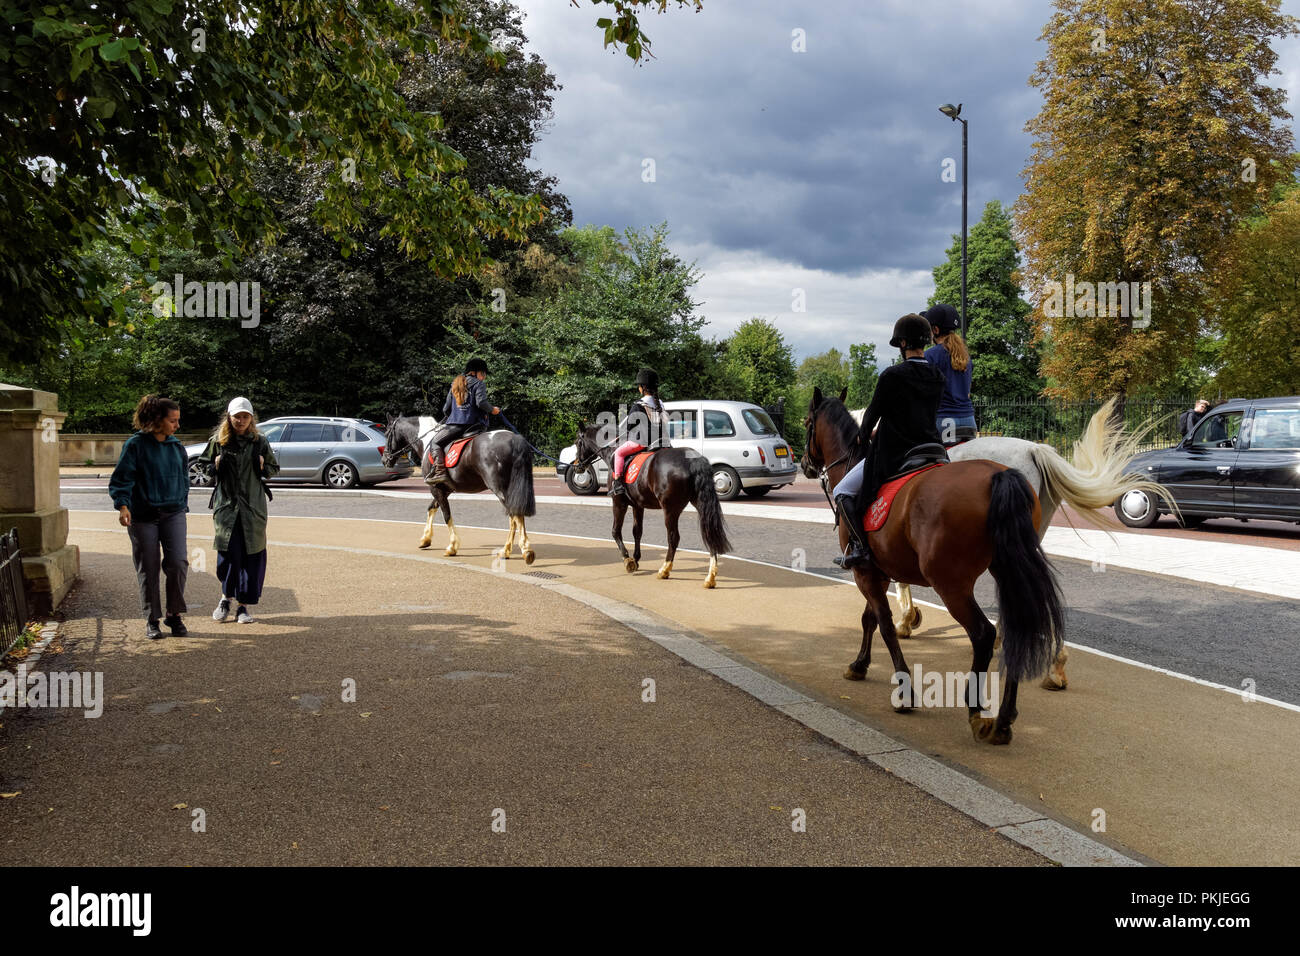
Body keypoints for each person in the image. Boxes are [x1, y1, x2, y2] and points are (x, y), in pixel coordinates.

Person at [831, 315, 944, 570]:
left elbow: (872, 414)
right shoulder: (937, 375)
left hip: (896, 453)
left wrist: (864, 434)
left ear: (902, 343)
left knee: (842, 491)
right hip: (931, 449)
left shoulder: (892, 375)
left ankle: (860, 549)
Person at [108, 394, 191, 640]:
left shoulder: (176, 446)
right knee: (149, 567)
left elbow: (184, 480)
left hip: (173, 513)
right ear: (157, 420)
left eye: (178, 420)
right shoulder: (135, 445)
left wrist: (180, 504)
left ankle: (173, 614)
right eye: (173, 421)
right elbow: (122, 479)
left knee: (178, 563)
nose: (177, 426)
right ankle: (152, 619)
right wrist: (123, 506)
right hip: (143, 516)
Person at [200, 397, 279, 625]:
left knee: (251, 556)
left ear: (251, 419)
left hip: (253, 508)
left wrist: (263, 465)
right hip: (227, 508)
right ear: (229, 417)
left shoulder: (259, 442)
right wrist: (213, 465)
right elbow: (204, 468)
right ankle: (225, 598)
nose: (241, 421)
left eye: (245, 416)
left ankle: (243, 607)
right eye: (237, 416)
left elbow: (274, 470)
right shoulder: (219, 441)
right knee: (227, 556)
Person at [427, 358, 499, 485]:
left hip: (456, 425)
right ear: (474, 372)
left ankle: (440, 472)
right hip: (475, 426)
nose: (484, 377)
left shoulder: (455, 384)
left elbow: (446, 409)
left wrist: (454, 415)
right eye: (483, 373)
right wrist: (493, 410)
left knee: (435, 443)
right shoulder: (478, 384)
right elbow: (481, 402)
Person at [609, 368, 671, 498]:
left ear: (643, 387)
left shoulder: (639, 404)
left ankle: (618, 484)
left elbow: (628, 425)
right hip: (662, 441)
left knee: (618, 453)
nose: (638, 388)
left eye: (639, 386)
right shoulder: (660, 403)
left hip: (642, 442)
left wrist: (618, 435)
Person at [923, 303, 976, 446]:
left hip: (944, 420)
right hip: (969, 420)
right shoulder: (966, 357)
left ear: (935, 329)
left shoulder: (930, 355)